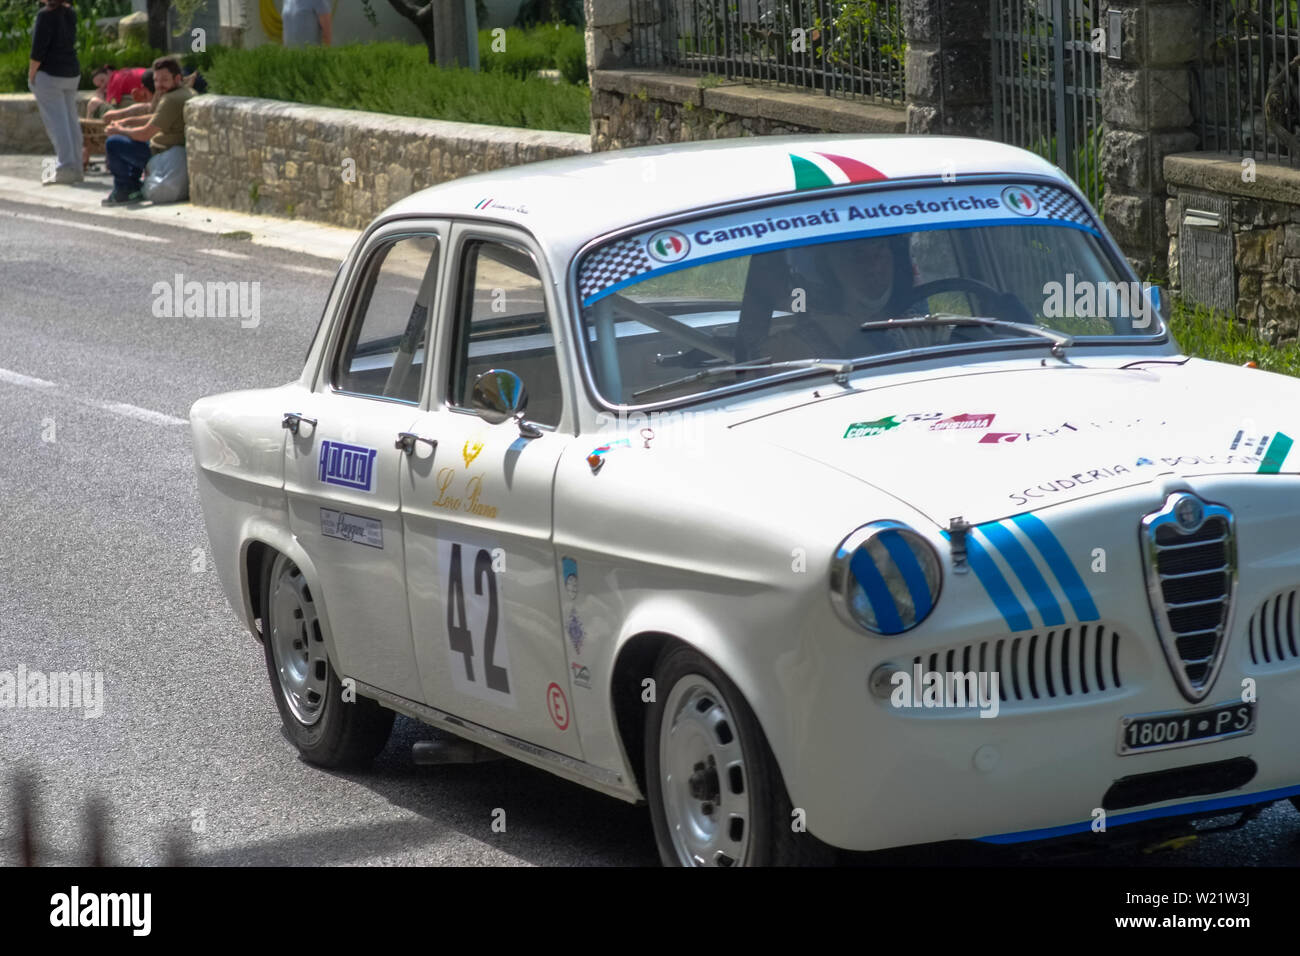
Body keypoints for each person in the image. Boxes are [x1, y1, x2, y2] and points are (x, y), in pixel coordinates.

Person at [102, 57, 193, 206]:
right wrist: (127, 122)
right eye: (156, 80)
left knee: (114, 142)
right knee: (131, 137)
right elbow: (157, 118)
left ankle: (125, 189)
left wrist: (119, 130)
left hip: (161, 152)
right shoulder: (184, 92)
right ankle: (131, 187)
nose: (159, 85)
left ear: (177, 78)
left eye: (164, 80)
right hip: (169, 149)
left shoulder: (171, 99)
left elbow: (145, 133)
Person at [28, 0, 83, 185]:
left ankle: (65, 168)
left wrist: (31, 75)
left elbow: (38, 50)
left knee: (57, 124)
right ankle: (76, 168)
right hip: (71, 72)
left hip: (50, 74)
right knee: (70, 121)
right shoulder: (70, 12)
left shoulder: (45, 15)